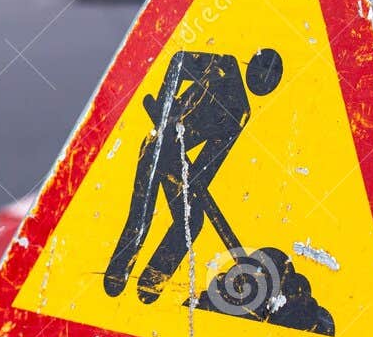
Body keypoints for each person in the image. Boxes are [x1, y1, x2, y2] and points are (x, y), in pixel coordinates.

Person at [103, 47, 283, 304]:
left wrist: (193, 182)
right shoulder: (224, 65)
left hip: (180, 164)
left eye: (271, 77)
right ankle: (117, 273)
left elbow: (209, 162)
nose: (264, 78)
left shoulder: (240, 114)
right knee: (141, 217)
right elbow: (179, 62)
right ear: (252, 59)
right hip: (157, 146)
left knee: (192, 219)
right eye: (264, 69)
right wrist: (165, 113)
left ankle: (151, 283)